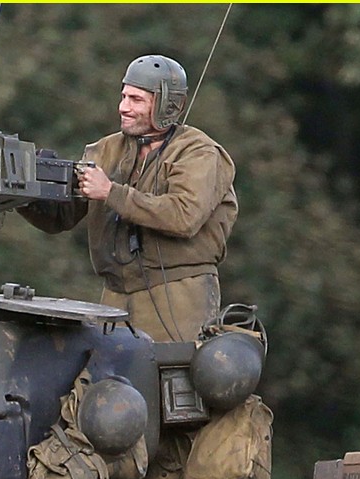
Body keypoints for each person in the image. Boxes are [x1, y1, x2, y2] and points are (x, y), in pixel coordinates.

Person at [20, 54, 238, 343]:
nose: (124, 108)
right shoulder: (106, 150)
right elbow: (61, 218)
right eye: (123, 97)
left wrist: (111, 192)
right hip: (115, 296)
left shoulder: (198, 152)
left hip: (178, 295)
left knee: (172, 379)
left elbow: (184, 216)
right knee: (107, 384)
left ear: (166, 105)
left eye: (136, 99)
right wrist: (22, 193)